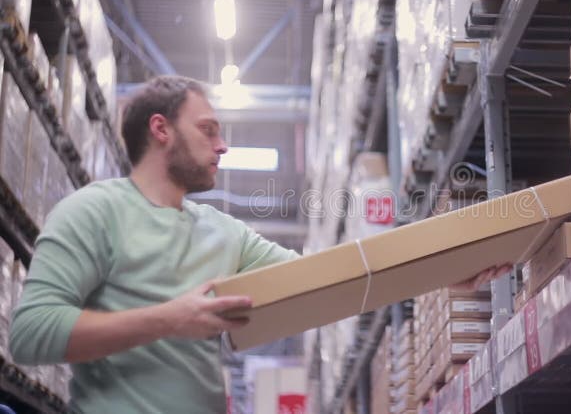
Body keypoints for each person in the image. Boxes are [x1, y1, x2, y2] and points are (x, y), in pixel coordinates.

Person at [9, 75, 506, 413]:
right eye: (208, 130)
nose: (222, 146)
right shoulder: (92, 212)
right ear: (160, 130)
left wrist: (441, 273)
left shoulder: (224, 233)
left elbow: (330, 279)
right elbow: (30, 334)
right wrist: (167, 319)